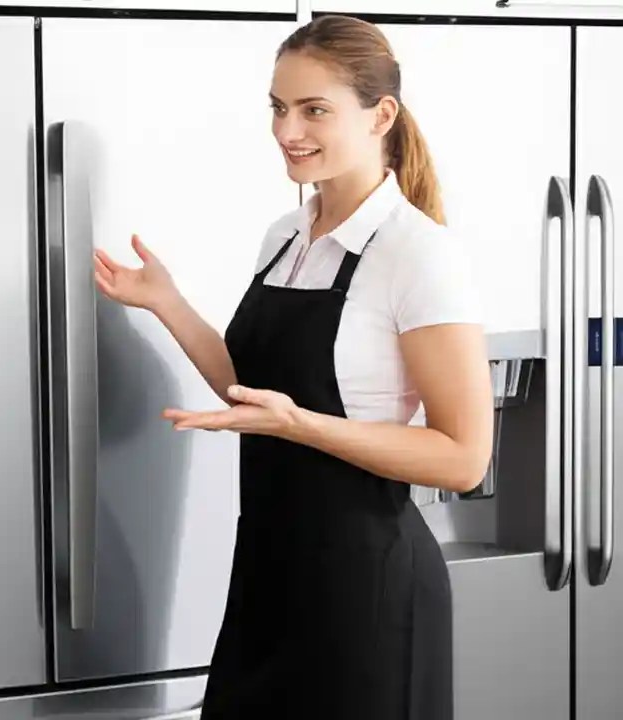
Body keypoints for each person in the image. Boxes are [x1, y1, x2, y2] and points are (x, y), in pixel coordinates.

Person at [93, 15, 492, 720]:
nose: (287, 131)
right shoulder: (287, 234)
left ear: (381, 116)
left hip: (367, 595)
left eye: (314, 110)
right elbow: (250, 394)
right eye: (278, 107)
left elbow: (462, 458)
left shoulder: (417, 254)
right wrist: (167, 302)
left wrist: (301, 425)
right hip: (270, 575)